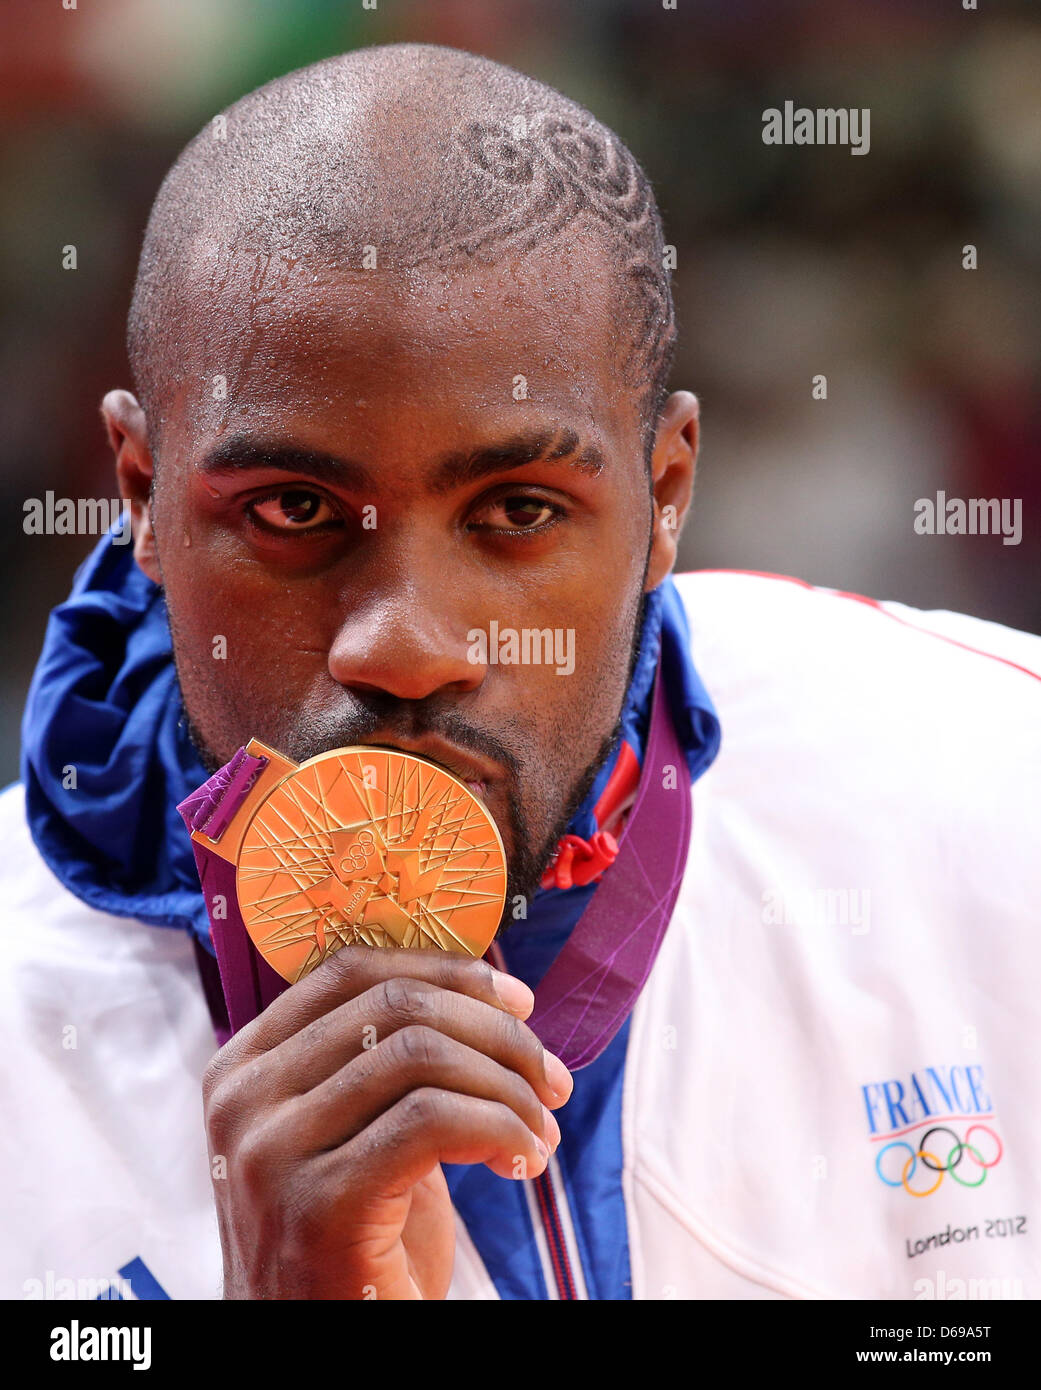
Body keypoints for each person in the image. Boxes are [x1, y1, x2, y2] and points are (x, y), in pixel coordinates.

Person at [6, 43, 1039, 1302]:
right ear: (142, 499)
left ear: (666, 494)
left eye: (517, 510)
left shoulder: (1000, 798)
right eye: (291, 507)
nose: (403, 644)